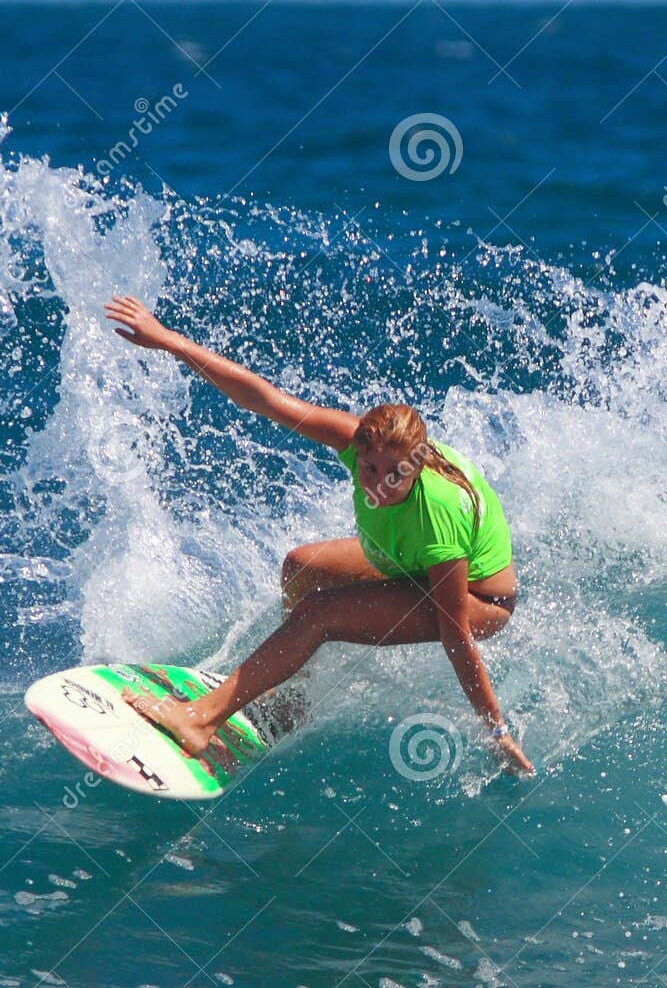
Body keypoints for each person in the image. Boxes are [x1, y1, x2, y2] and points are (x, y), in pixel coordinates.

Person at [102, 294, 535, 777]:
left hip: (477, 600)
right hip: (407, 561)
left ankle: (200, 720)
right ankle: (291, 684)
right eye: (369, 468)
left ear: (417, 463)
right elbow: (263, 399)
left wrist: (496, 731)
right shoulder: (361, 442)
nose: (379, 483)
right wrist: (170, 341)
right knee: (302, 568)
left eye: (395, 473)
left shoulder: (438, 515)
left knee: (319, 614)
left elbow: (455, 633)